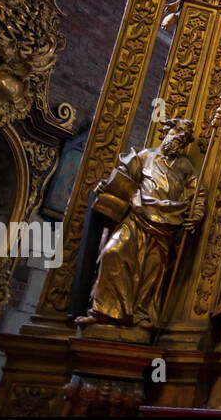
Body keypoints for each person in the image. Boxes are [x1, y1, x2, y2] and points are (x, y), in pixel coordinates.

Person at [78, 118, 203, 330]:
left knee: (151, 272)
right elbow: (122, 180)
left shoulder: (184, 167)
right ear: (166, 132)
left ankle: (141, 316)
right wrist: (106, 187)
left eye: (182, 141)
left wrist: (197, 212)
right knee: (112, 252)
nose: (176, 143)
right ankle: (103, 311)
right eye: (175, 136)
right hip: (136, 218)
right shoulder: (145, 156)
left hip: (165, 226)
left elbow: (198, 193)